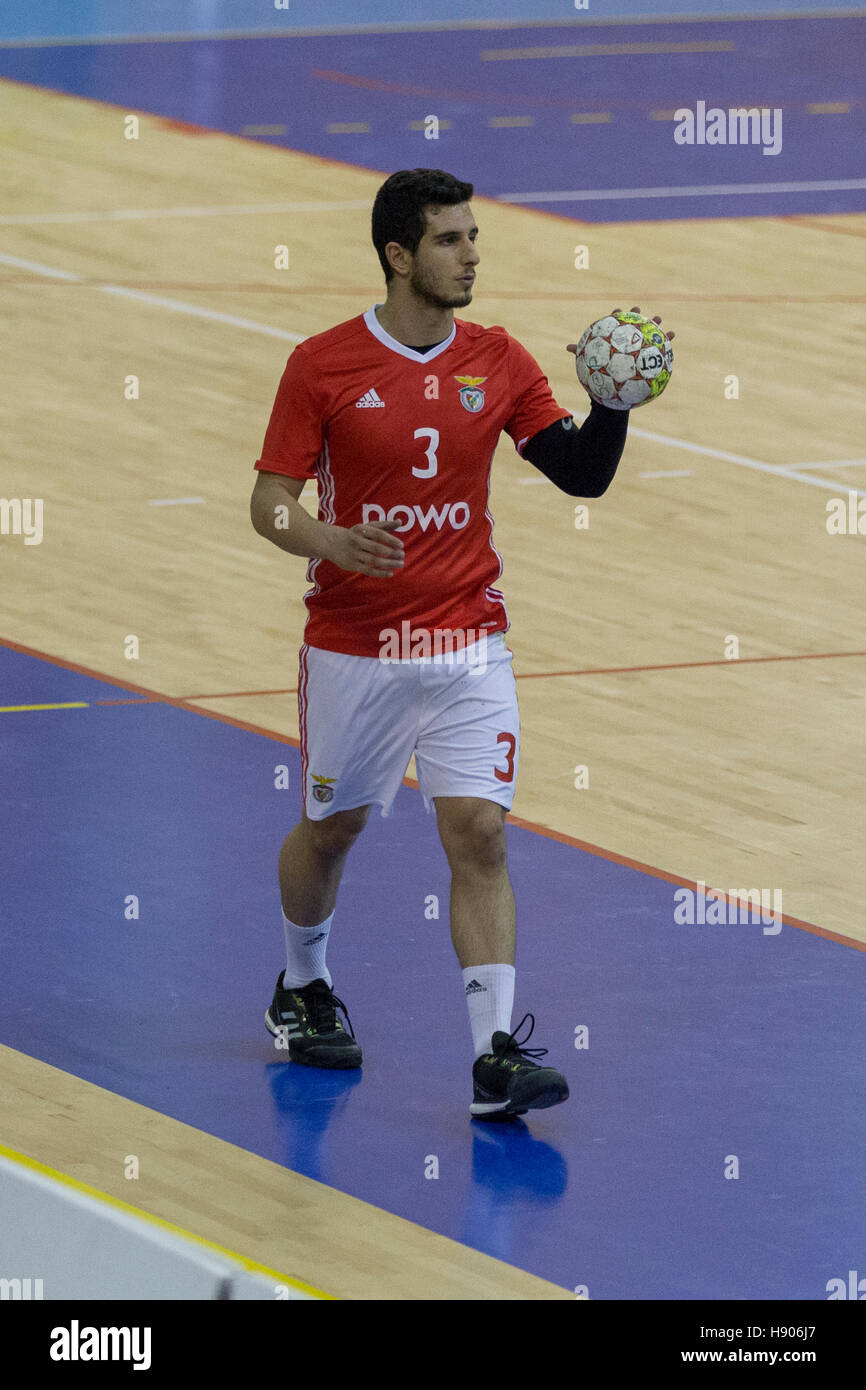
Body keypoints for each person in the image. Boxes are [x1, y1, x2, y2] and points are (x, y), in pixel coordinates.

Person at [250, 168, 674, 1120]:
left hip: (468, 641)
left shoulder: (499, 357)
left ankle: (492, 1055)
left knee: (478, 832)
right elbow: (268, 503)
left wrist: (611, 401)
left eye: (474, 237)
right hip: (355, 646)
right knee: (334, 829)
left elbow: (578, 477)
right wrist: (327, 539)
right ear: (400, 256)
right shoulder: (322, 366)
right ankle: (301, 983)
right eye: (450, 241)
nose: (472, 255)